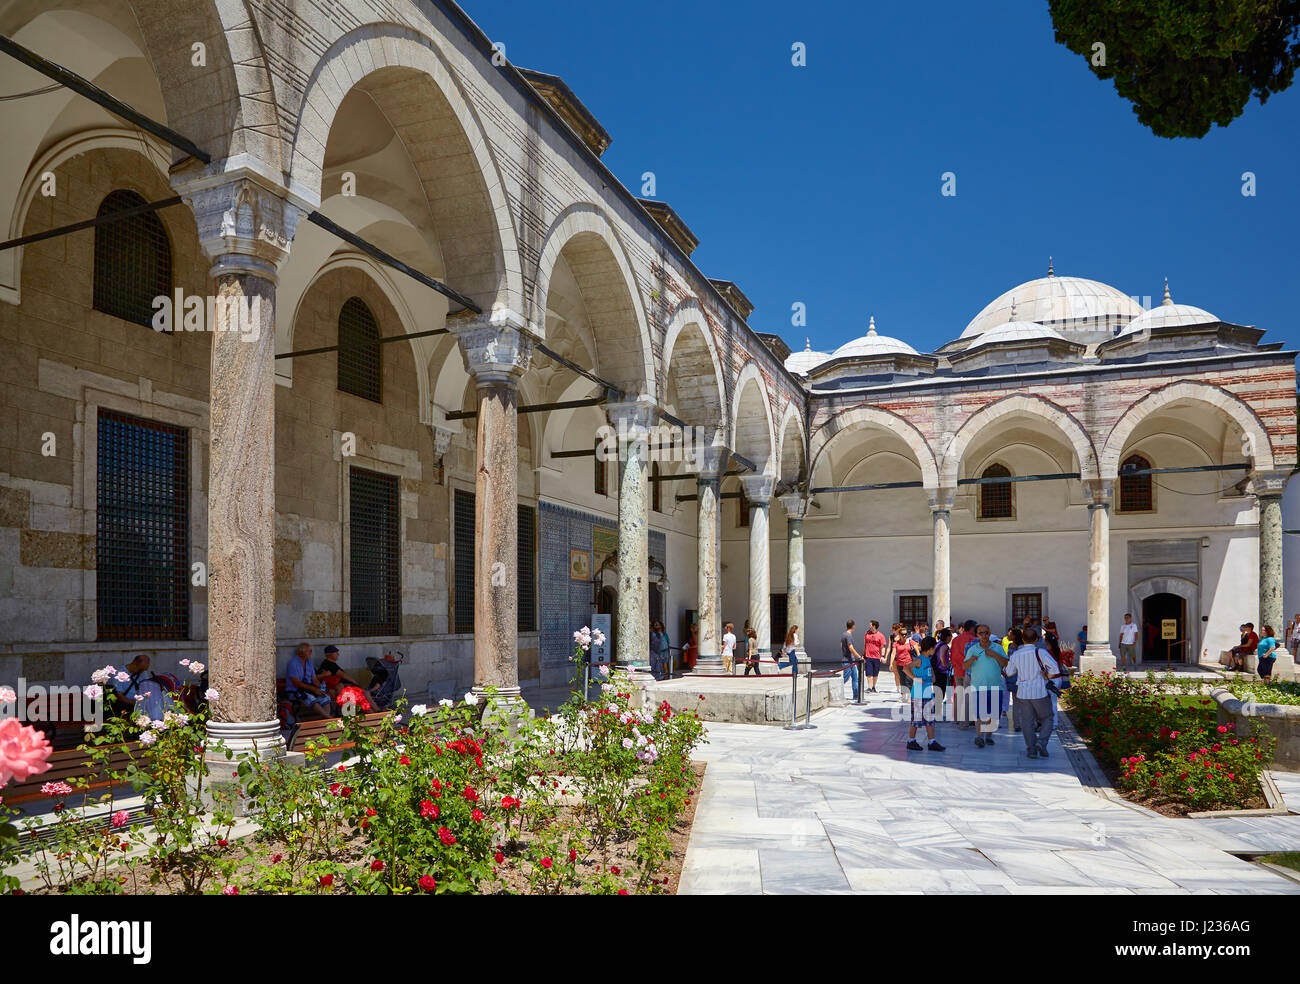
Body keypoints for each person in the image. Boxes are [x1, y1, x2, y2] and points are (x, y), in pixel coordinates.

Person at [1003, 626, 1061, 759]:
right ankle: (1041, 742)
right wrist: (1047, 676)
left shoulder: (1016, 654)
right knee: (1047, 717)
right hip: (1039, 691)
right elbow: (1055, 669)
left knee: (1027, 722)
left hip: (1023, 692)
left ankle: (1031, 749)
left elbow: (1009, 672)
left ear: (1023, 639)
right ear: (1036, 639)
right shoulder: (1041, 652)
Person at [965, 626, 1007, 748]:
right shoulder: (973, 649)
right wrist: (971, 660)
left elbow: (1006, 663)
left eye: (986, 633)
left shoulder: (998, 648)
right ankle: (979, 736)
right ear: (977, 635)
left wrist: (994, 655)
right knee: (979, 714)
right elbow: (964, 666)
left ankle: (988, 736)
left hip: (995, 686)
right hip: (978, 686)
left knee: (993, 714)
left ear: (990, 633)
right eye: (981, 633)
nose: (984, 635)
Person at [901, 636, 944, 752]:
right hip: (919, 694)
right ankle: (911, 741)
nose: (935, 650)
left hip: (928, 693)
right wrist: (915, 678)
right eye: (934, 648)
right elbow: (905, 668)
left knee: (930, 719)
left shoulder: (927, 659)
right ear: (930, 648)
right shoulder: (919, 659)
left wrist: (933, 675)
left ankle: (932, 742)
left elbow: (930, 668)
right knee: (916, 719)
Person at [286, 643, 333, 719]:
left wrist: (322, 689)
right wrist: (314, 689)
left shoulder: (309, 662)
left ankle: (326, 719)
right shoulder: (293, 663)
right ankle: (329, 718)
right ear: (301, 653)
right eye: (309, 651)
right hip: (295, 690)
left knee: (325, 697)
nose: (311, 652)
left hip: (309, 688)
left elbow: (314, 679)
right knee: (310, 698)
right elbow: (296, 683)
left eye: (311, 651)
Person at [950, 620, 977, 728]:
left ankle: (957, 718)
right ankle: (967, 720)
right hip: (968, 671)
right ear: (972, 628)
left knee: (959, 694)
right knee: (968, 696)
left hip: (957, 670)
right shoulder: (973, 639)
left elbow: (952, 654)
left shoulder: (956, 639)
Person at [892, 624, 917, 702]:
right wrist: (891, 664)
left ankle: (909, 697)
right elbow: (893, 653)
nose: (904, 636)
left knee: (909, 680)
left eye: (906, 634)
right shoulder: (896, 643)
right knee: (902, 681)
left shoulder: (910, 642)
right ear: (899, 635)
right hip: (900, 664)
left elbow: (918, 652)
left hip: (909, 664)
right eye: (902, 634)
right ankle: (903, 696)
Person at [862, 620, 887, 693]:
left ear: (874, 626)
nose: (869, 626)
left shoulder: (881, 636)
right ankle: (869, 687)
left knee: (875, 673)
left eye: (870, 625)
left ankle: (873, 687)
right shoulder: (867, 634)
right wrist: (863, 655)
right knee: (869, 672)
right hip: (868, 656)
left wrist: (882, 656)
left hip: (877, 657)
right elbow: (865, 645)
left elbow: (883, 647)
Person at [841, 619, 862, 700]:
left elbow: (841, 645)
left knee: (855, 678)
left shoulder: (843, 634)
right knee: (845, 678)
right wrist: (859, 656)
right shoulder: (848, 635)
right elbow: (851, 647)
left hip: (850, 660)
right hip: (848, 661)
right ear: (853, 626)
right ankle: (837, 692)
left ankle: (856, 696)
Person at [932, 628, 952, 708]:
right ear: (947, 637)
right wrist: (946, 665)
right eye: (950, 636)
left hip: (936, 670)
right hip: (941, 671)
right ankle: (937, 710)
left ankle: (936, 709)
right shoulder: (944, 646)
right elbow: (942, 657)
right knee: (941, 693)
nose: (951, 638)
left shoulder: (938, 644)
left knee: (937, 692)